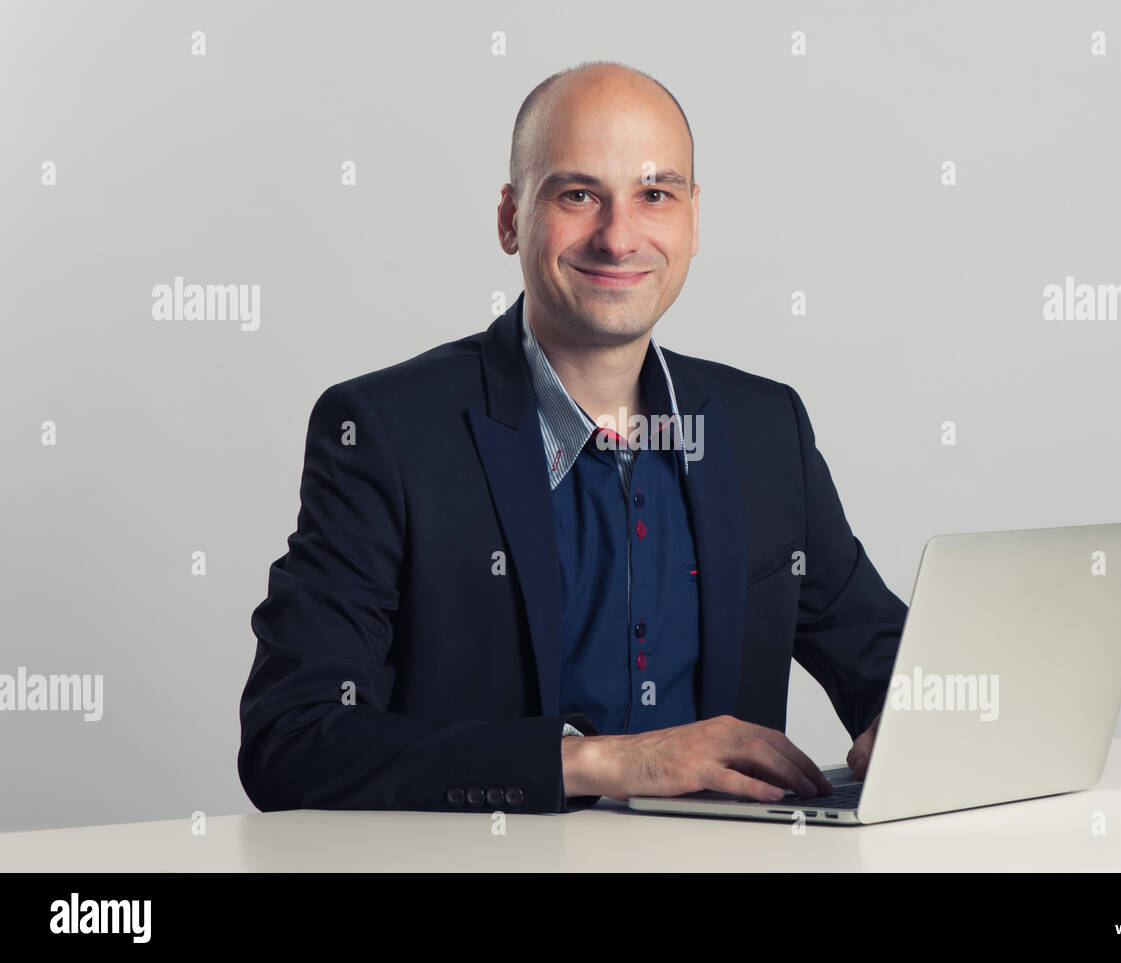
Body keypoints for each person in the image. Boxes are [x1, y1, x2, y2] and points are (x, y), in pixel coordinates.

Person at [237, 60, 908, 815]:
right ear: (509, 218)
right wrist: (599, 761)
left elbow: (892, 664)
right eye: (578, 194)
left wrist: (916, 725)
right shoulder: (384, 434)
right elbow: (290, 740)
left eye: (655, 194)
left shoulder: (763, 428)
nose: (619, 238)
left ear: (692, 219)